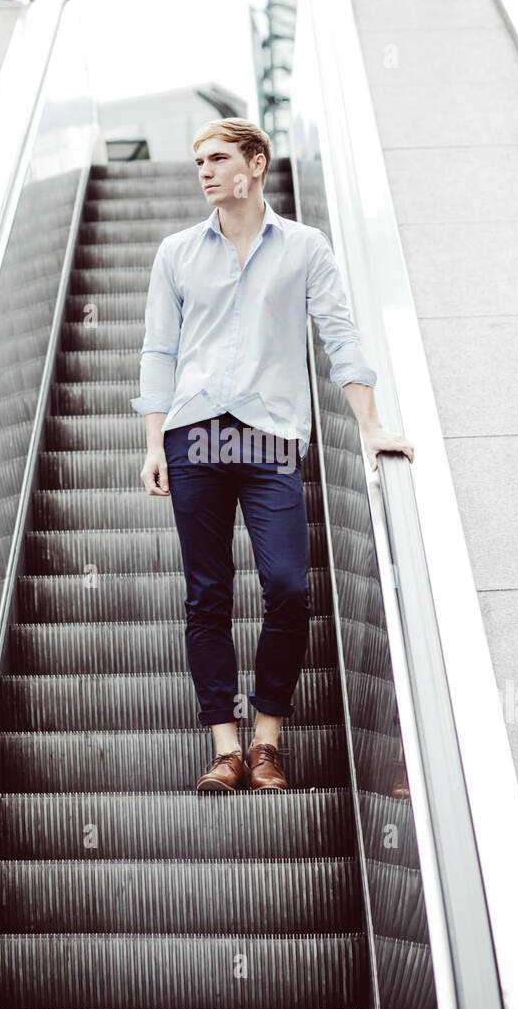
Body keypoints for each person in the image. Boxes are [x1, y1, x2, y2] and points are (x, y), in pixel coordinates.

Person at [132, 117, 413, 794]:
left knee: (287, 586)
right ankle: (225, 748)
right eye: (198, 159)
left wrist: (370, 426)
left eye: (219, 157)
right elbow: (158, 350)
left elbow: (339, 335)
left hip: (268, 439)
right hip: (194, 436)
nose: (204, 169)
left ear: (255, 165)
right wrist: (153, 443)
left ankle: (267, 741)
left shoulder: (304, 247)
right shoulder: (176, 252)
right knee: (208, 595)